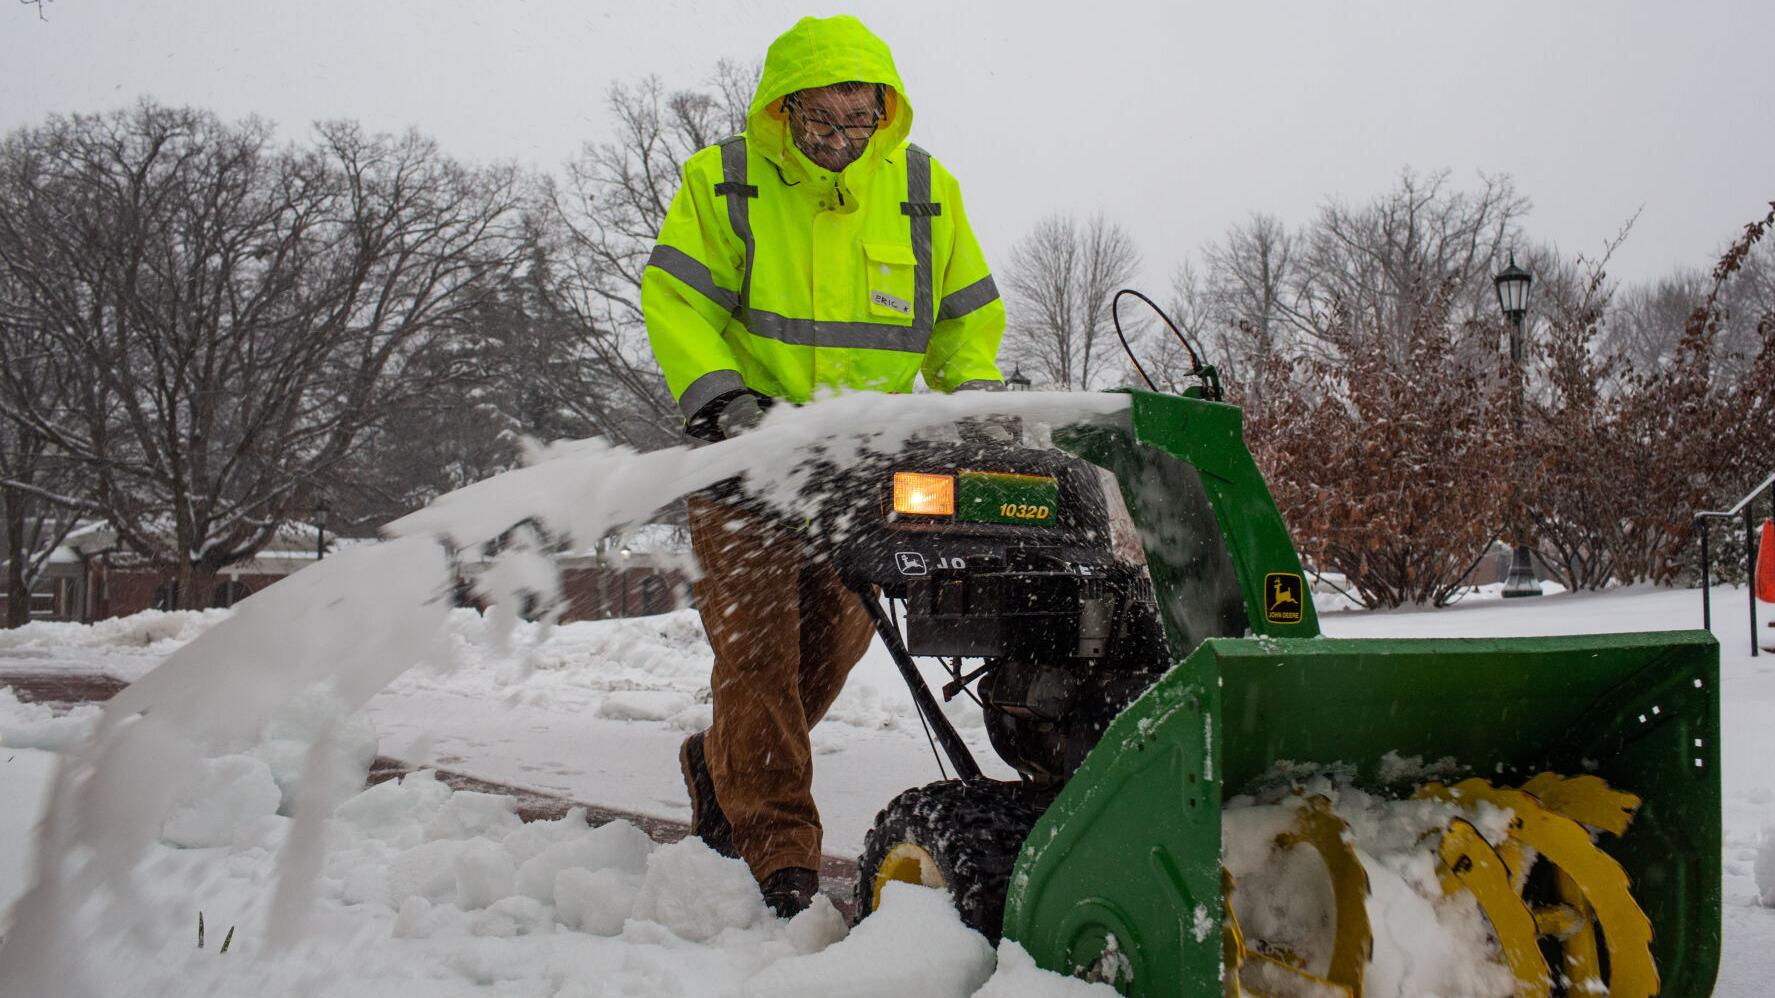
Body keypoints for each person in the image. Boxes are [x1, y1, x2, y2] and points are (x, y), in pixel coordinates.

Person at [640, 14, 1006, 916]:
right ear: (784, 111)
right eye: (823, 123)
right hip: (748, 463)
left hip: (860, 474)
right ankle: (782, 862)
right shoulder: (724, 181)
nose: (841, 141)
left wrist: (977, 399)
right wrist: (722, 398)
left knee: (829, 657)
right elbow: (675, 299)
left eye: (858, 123)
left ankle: (718, 761)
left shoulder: (922, 189)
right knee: (757, 657)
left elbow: (964, 319)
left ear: (884, 113)